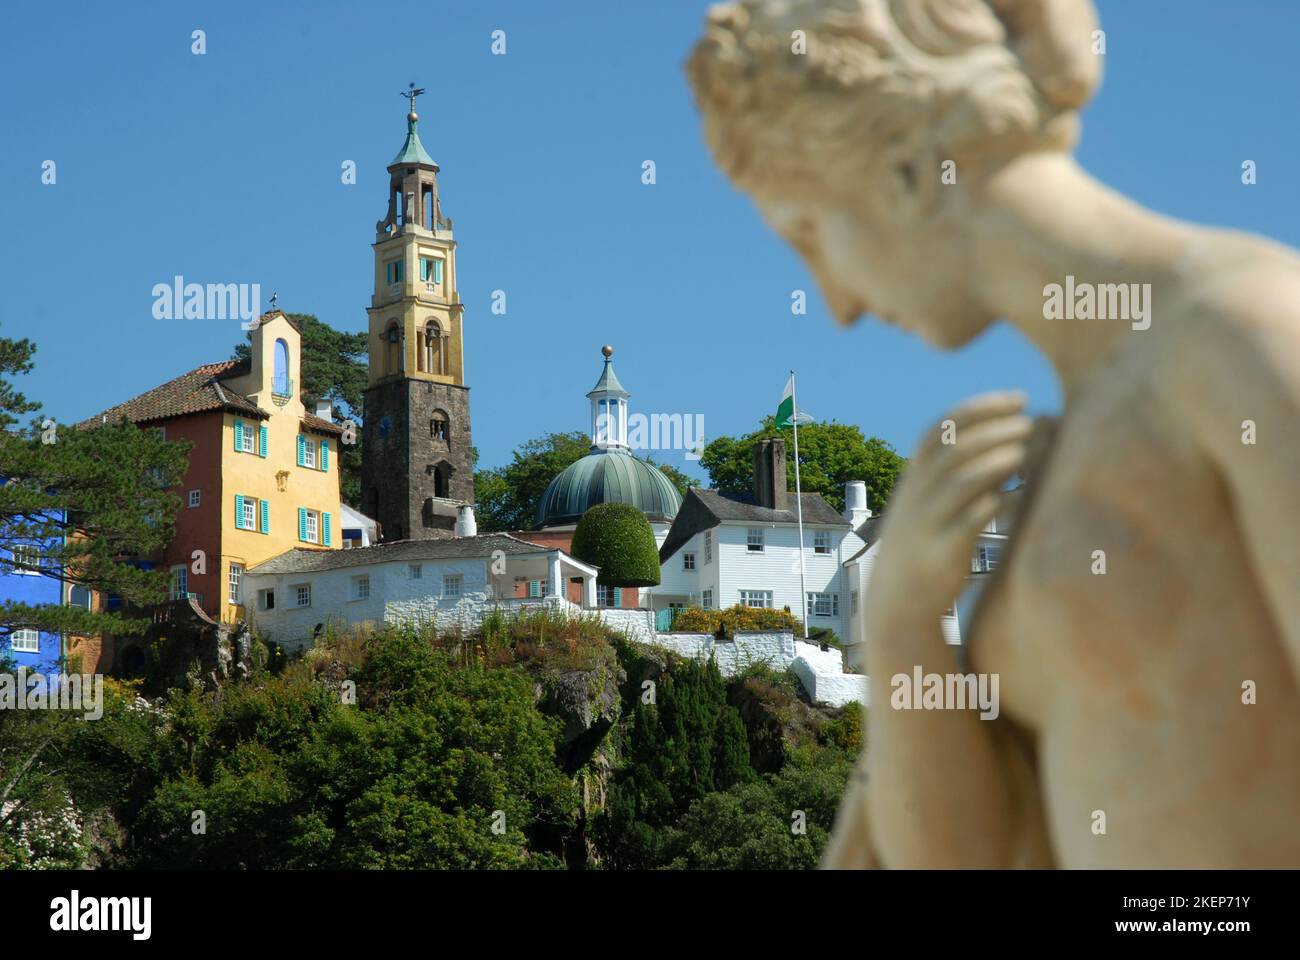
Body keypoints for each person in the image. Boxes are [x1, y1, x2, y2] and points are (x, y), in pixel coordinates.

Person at [688, 0, 1300, 867]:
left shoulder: (1250, 329)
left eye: (813, 234)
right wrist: (901, 625)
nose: (838, 302)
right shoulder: (1061, 455)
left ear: (902, 171)